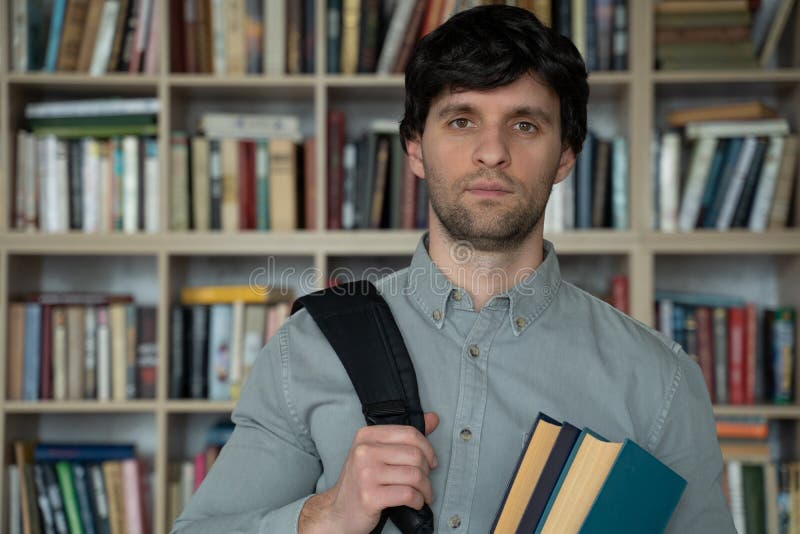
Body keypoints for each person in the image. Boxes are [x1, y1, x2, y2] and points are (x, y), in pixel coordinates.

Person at [172, 5, 735, 533]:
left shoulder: (661, 381)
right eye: (462, 121)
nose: (492, 152)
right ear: (415, 150)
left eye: (525, 125)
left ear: (565, 155)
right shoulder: (309, 346)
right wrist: (323, 517)